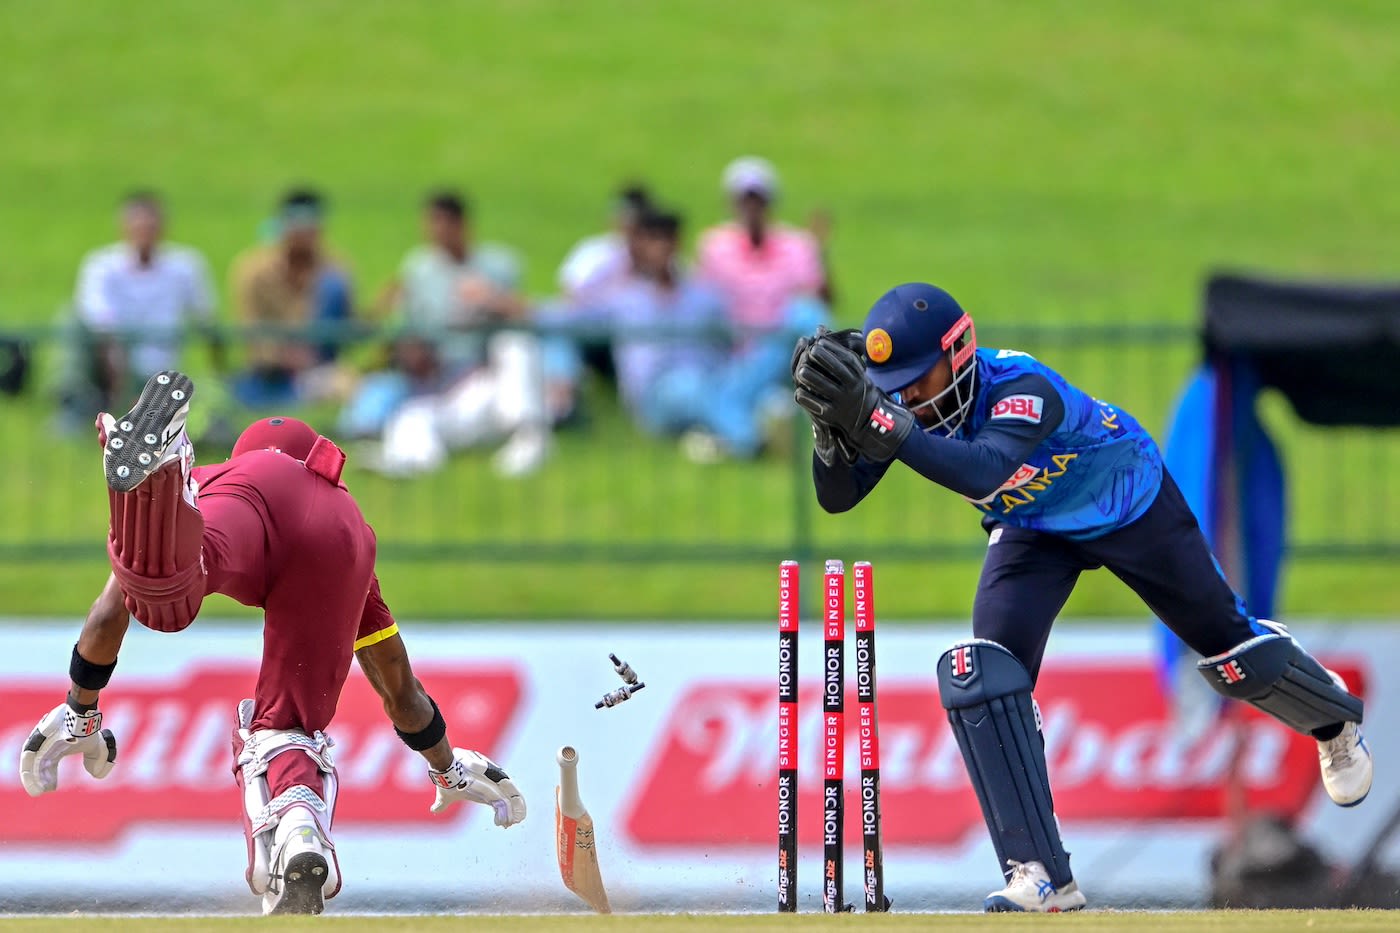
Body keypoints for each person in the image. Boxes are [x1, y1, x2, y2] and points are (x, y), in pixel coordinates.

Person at [790, 282, 1374, 913]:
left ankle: (1333, 722)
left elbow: (982, 469)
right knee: (982, 674)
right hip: (1033, 527)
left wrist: (879, 422)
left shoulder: (1021, 389)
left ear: (958, 354)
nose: (907, 398)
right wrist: (833, 431)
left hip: (1125, 498)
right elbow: (838, 495)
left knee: (1230, 652)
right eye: (893, 386)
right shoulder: (906, 404)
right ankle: (1041, 875)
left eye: (917, 380)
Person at [18, 373, 526, 915]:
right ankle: (300, 836)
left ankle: (160, 480)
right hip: (337, 536)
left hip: (234, 498)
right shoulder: (350, 525)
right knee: (285, 723)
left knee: (163, 591)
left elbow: (106, 615)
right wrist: (445, 763)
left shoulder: (229, 474)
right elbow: (398, 687)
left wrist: (81, 709)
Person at [343, 190, 554, 477]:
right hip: (446, 381)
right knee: (413, 416)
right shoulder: (419, 269)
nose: (436, 233)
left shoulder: (498, 264)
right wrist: (412, 352)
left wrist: (490, 299)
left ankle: (529, 437)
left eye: (442, 224)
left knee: (514, 343)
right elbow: (410, 329)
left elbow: (528, 316)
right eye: (431, 224)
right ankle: (406, 463)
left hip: (490, 375)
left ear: (461, 225)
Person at [694, 157, 829, 456]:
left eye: (758, 200)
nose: (752, 208)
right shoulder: (715, 247)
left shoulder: (797, 245)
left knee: (804, 314)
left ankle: (748, 437)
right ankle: (752, 439)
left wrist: (822, 254)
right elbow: (702, 301)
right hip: (741, 351)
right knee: (735, 396)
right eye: (745, 200)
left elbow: (816, 300)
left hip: (787, 342)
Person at [59, 191, 223, 430]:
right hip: (110, 361)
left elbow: (207, 319)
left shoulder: (185, 266)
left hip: (159, 365)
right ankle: (74, 404)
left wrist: (217, 378)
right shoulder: (101, 265)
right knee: (72, 318)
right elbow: (100, 320)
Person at [230, 189, 355, 407]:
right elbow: (250, 329)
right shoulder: (254, 270)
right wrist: (284, 356)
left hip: (319, 363)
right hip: (270, 371)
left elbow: (347, 327)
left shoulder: (334, 268)